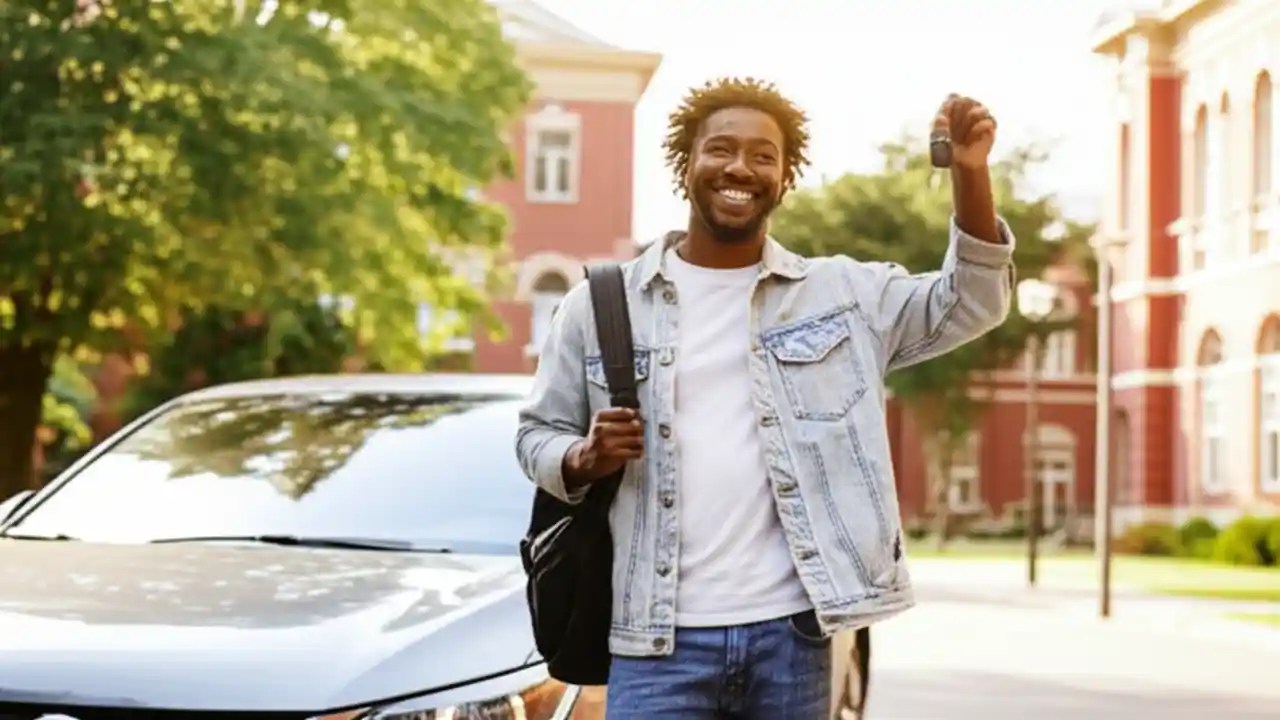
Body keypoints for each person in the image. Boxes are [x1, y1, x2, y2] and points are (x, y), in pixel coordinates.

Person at [515, 76, 1015, 719]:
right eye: (721, 149)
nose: (740, 168)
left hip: (792, 636)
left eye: (763, 156)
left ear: (784, 177)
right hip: (655, 642)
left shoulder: (841, 296)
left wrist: (970, 176)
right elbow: (536, 434)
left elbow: (971, 301)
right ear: (686, 163)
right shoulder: (602, 304)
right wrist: (583, 458)